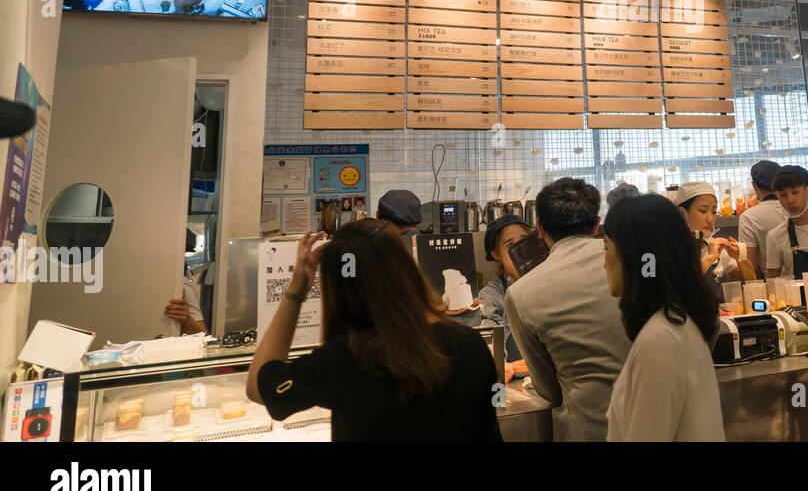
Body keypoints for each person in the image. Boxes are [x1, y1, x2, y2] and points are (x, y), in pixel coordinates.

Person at [246, 222, 502, 441]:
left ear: (340, 289)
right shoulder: (471, 346)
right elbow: (490, 432)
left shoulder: (348, 358)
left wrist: (297, 290)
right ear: (407, 269)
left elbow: (259, 387)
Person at [504, 177, 631, 441]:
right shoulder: (634, 262)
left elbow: (549, 391)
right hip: (659, 422)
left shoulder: (520, 293)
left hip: (590, 429)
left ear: (539, 228)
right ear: (597, 224)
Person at [602, 193, 726, 441]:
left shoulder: (660, 339)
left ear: (633, 256)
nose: (604, 262)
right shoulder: (675, 323)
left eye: (607, 247)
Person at [675, 181, 756, 299]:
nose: (710, 219)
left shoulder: (716, 246)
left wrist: (741, 257)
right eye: (703, 211)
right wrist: (710, 258)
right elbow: (681, 286)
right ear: (682, 213)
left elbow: (751, 281)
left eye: (713, 212)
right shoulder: (671, 248)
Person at [479, 213, 530, 376]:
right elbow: (489, 327)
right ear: (496, 254)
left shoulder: (550, 280)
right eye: (510, 245)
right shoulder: (492, 294)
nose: (519, 249)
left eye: (524, 240)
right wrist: (498, 362)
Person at [763, 165, 808, 279]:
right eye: (783, 195)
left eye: (795, 192)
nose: (790, 200)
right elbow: (772, 283)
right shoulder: (775, 236)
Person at [739, 160, 786, 278]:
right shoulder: (794, 209)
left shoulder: (748, 217)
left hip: (773, 285)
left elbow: (750, 265)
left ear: (754, 186)